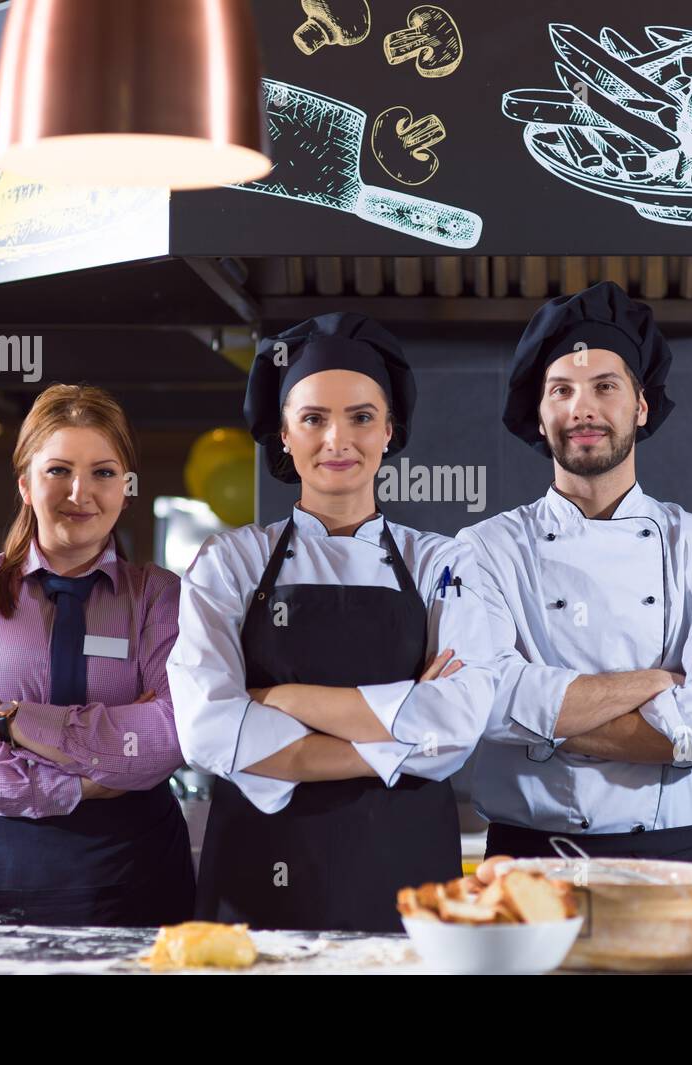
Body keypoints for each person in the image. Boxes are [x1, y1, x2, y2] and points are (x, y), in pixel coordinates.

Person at [167, 312, 495, 932]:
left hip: (408, 877)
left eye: (362, 417)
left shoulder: (444, 563)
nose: (337, 440)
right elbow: (208, 731)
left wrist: (277, 699)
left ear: (390, 431)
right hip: (260, 875)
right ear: (284, 436)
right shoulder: (230, 563)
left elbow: (455, 722)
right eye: (314, 418)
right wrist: (400, 739)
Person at [458, 281, 692, 862]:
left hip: (673, 860)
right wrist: (656, 684)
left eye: (605, 386)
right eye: (562, 390)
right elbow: (479, 701)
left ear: (641, 405)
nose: (583, 409)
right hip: (527, 862)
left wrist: (541, 719)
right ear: (539, 413)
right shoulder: (484, 548)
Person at [0, 384, 195, 925]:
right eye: (58, 470)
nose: (80, 492)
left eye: (103, 472)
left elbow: (174, 731)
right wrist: (73, 786)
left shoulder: (157, 598)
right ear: (26, 485)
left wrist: (12, 722)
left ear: (125, 488)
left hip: (132, 878)